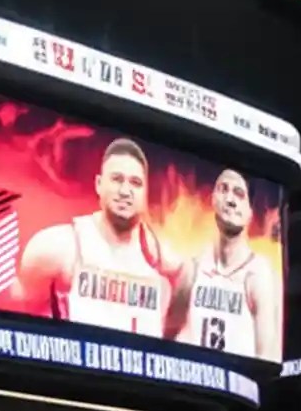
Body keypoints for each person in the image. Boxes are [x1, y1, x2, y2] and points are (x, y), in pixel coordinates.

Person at [13, 138, 178, 337]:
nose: (125, 191)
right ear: (99, 184)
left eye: (135, 183)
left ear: (145, 192)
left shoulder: (169, 263)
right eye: (117, 179)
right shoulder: (58, 247)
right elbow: (23, 318)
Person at [167, 168, 281, 360]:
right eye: (223, 189)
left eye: (239, 194)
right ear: (213, 199)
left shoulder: (259, 273)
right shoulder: (193, 267)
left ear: (249, 212)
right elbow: (168, 337)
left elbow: (267, 357)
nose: (230, 200)